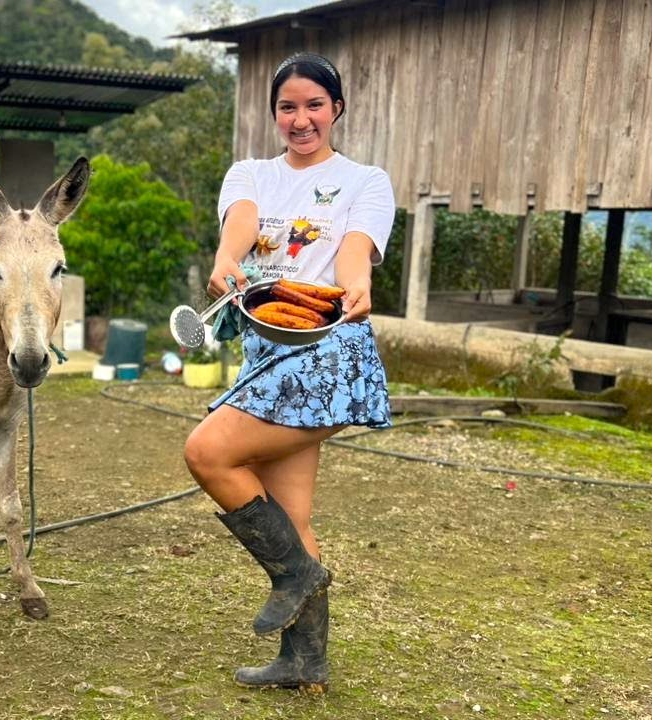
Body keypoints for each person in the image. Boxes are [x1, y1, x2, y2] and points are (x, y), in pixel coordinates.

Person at [183, 51, 395, 693]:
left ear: (336, 109)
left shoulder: (366, 181)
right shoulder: (250, 172)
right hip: (267, 351)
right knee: (293, 516)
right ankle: (305, 662)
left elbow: (354, 251)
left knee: (207, 453)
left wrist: (356, 285)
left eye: (314, 105)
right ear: (274, 113)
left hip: (329, 353)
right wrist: (226, 259)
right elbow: (241, 226)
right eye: (287, 107)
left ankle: (296, 576)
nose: (301, 119)